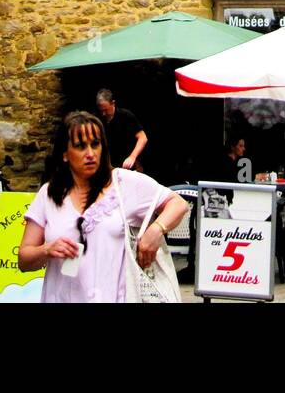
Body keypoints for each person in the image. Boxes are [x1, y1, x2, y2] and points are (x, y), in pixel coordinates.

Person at [19, 110, 188, 302]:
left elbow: (178, 203)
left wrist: (156, 230)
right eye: (80, 146)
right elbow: (24, 259)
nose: (90, 154)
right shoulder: (49, 194)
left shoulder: (124, 184)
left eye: (95, 144)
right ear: (65, 154)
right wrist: (47, 250)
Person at [95, 89, 148, 170]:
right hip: (109, 166)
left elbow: (143, 137)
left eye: (106, 110)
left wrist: (132, 157)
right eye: (101, 111)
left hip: (129, 164)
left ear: (113, 103)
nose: (103, 113)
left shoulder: (125, 116)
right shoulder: (97, 119)